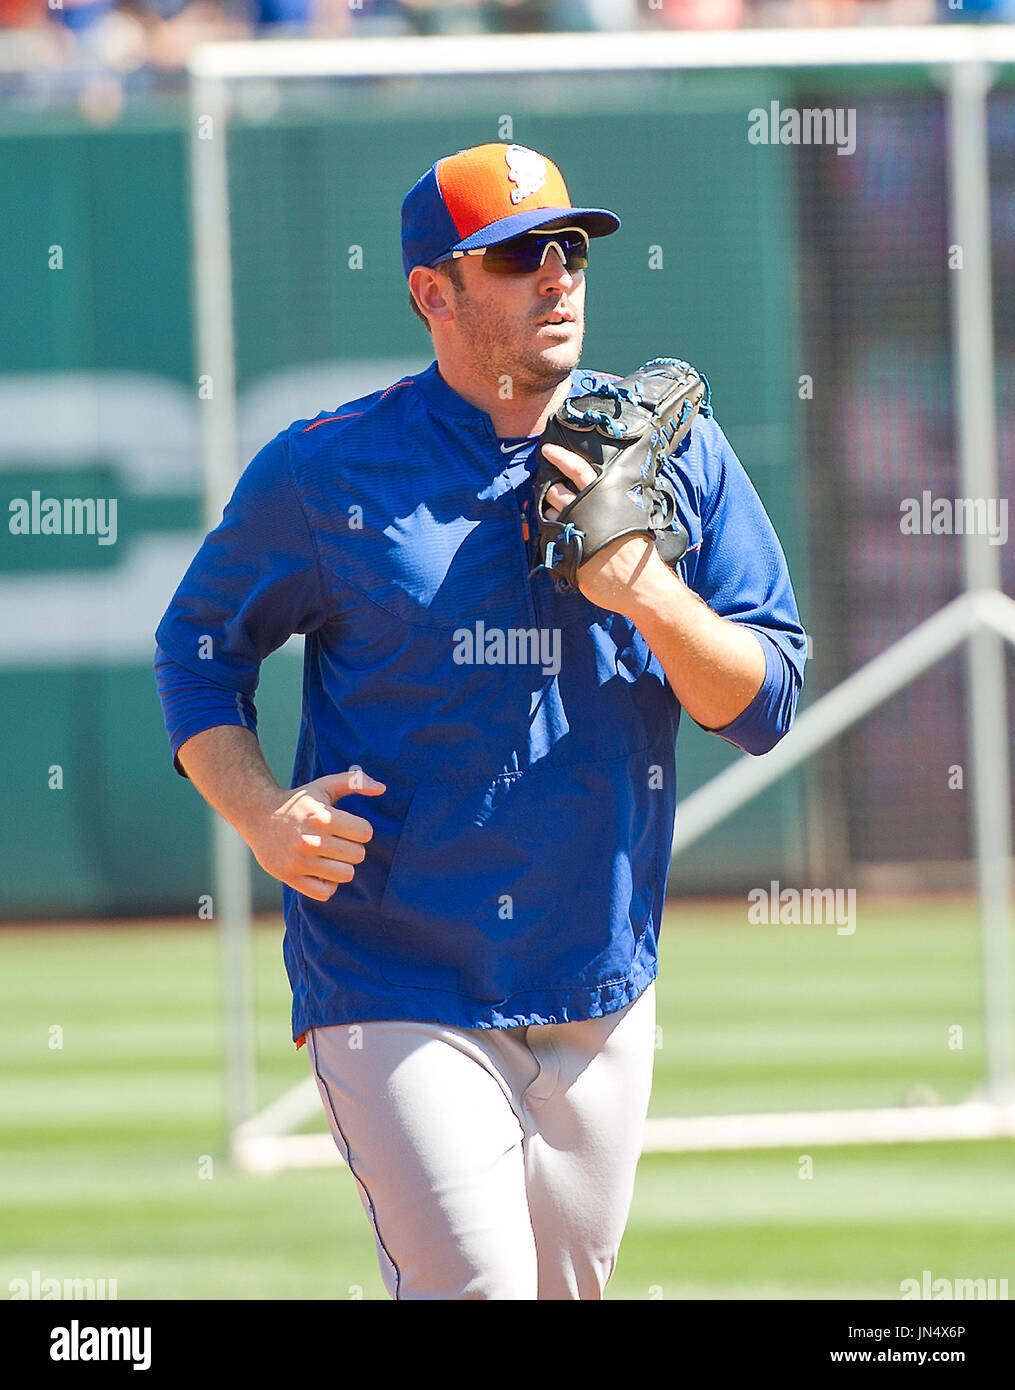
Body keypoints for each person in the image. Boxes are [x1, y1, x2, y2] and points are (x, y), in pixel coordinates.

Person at [154, 142, 806, 1300]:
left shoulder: (672, 451)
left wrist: (645, 591)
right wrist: (261, 815)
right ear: (433, 293)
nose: (556, 274)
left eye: (569, 249)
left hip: (600, 977)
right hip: (393, 978)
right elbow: (197, 654)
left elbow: (761, 707)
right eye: (514, 256)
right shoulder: (326, 471)